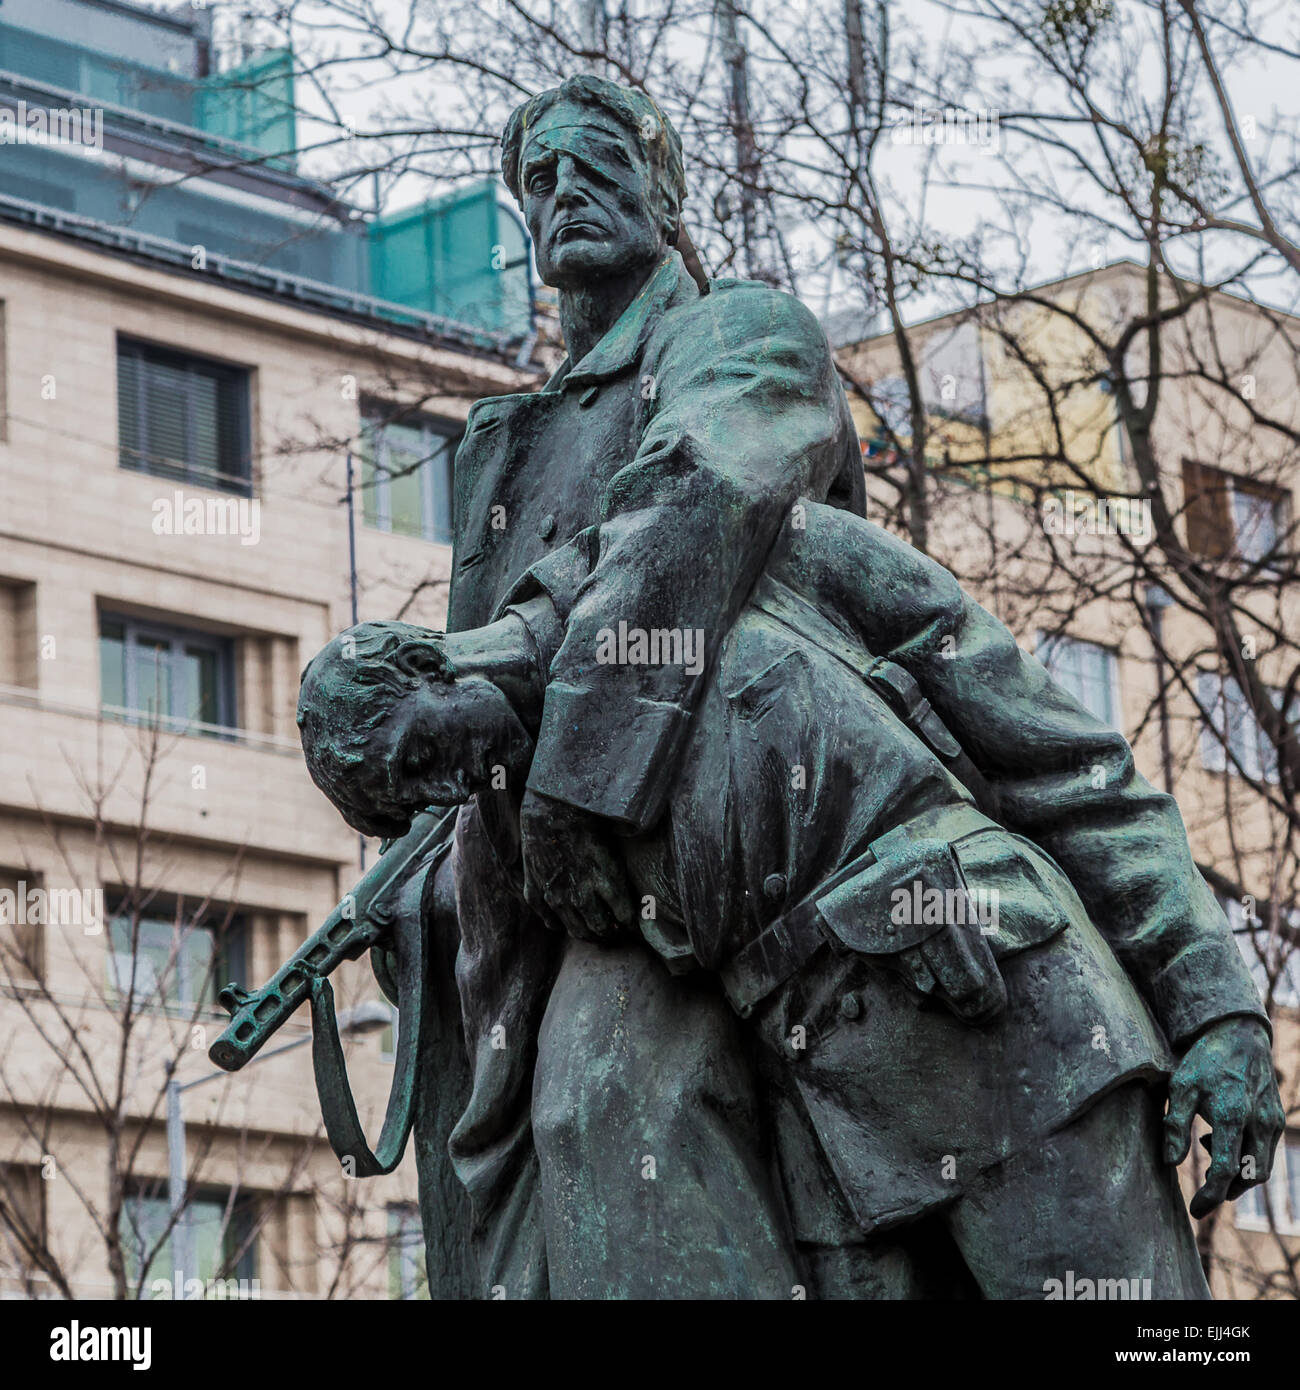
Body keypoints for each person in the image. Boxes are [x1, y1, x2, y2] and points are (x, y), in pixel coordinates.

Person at [299, 500, 1284, 1299]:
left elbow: (1066, 764)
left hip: (1016, 1039)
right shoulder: (515, 831)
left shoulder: (767, 548)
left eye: (423, 755)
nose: (445, 788)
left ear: (434, 661)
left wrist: (1219, 1011)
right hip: (835, 1153)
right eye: (416, 796)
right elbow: (503, 1083)